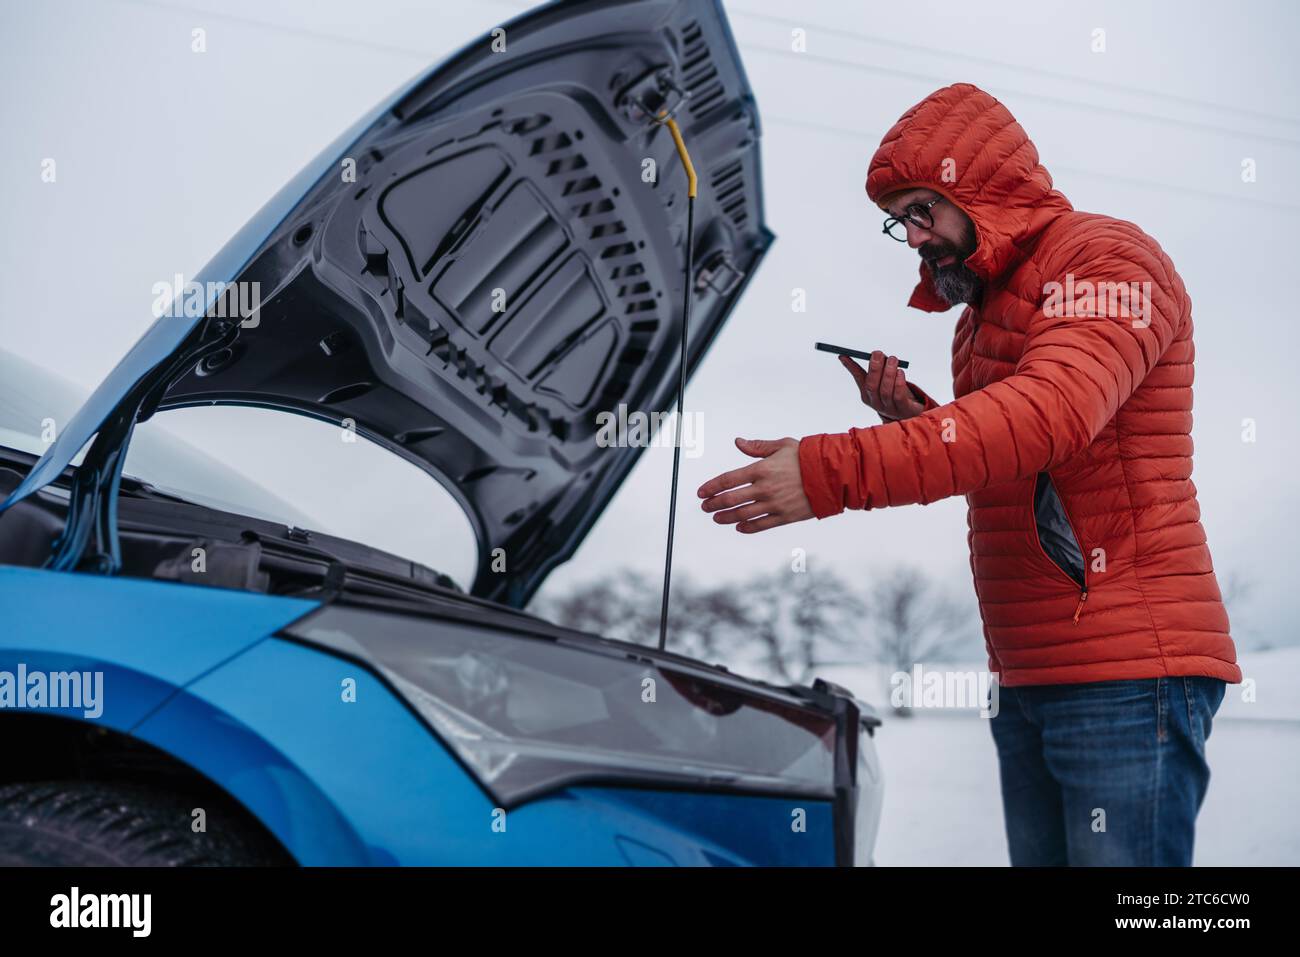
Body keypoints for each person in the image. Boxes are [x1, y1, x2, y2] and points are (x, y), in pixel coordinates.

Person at [696, 82, 1240, 866]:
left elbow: (1048, 415)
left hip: (1127, 670)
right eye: (901, 220)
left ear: (983, 188)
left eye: (924, 209)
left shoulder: (1107, 259)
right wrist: (912, 416)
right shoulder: (980, 319)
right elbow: (1016, 459)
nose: (915, 236)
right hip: (1030, 667)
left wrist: (830, 471)